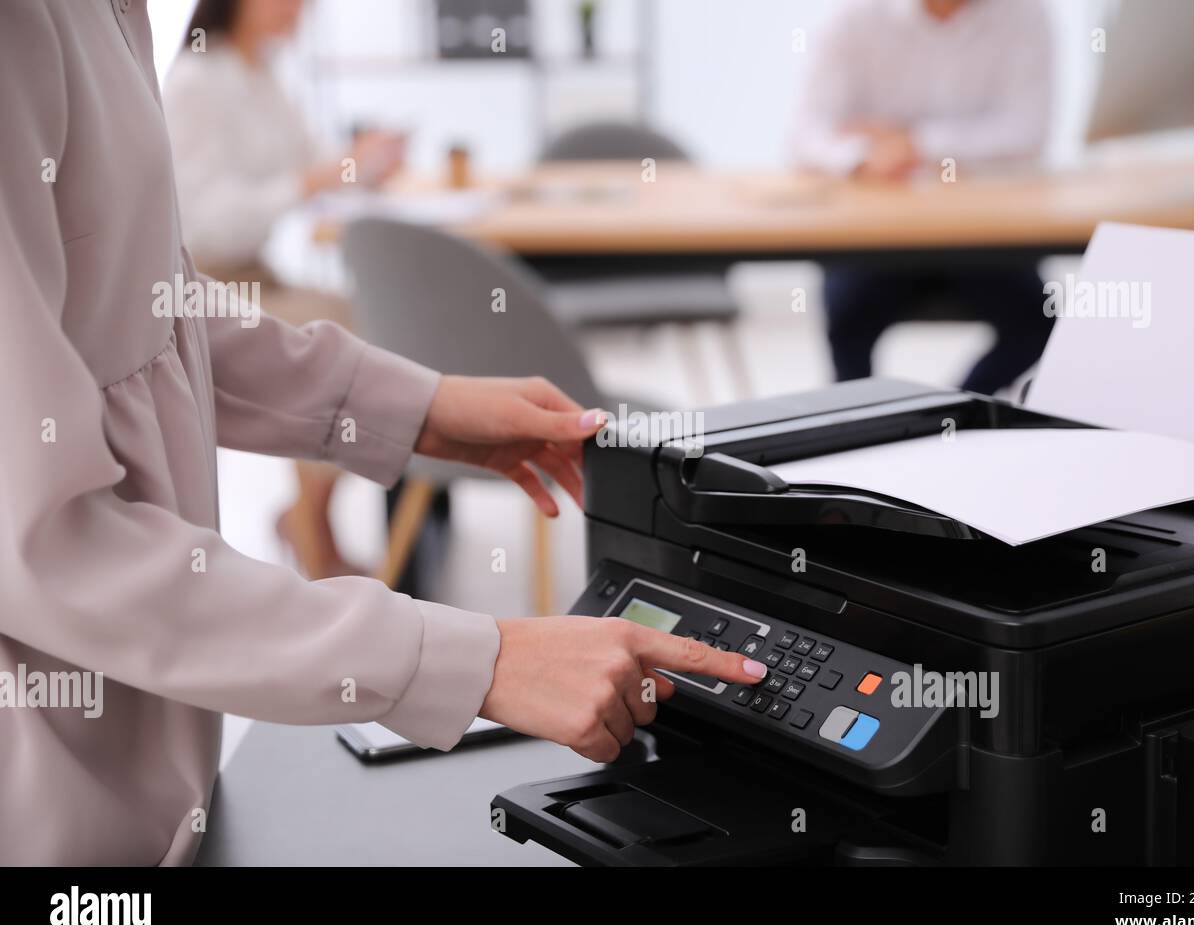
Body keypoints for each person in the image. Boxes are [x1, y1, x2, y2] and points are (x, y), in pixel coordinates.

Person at [0, 0, 765, 866]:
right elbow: (45, 543)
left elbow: (143, 306)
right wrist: (479, 656)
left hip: (157, 758)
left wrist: (417, 405)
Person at [164, 0, 408, 579]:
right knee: (349, 338)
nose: (300, 6)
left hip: (256, 272)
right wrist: (313, 180)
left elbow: (316, 166)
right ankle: (310, 527)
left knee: (379, 325)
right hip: (206, 283)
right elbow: (202, 221)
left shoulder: (263, 72)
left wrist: (365, 163)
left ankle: (307, 516)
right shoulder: (198, 79)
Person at [793, 0, 1054, 395]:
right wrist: (864, 157)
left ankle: (953, 415)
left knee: (1038, 319)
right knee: (846, 316)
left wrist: (912, 142)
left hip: (982, 234)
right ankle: (859, 424)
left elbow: (1025, 135)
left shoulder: (1026, 15)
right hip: (878, 235)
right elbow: (806, 135)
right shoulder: (856, 18)